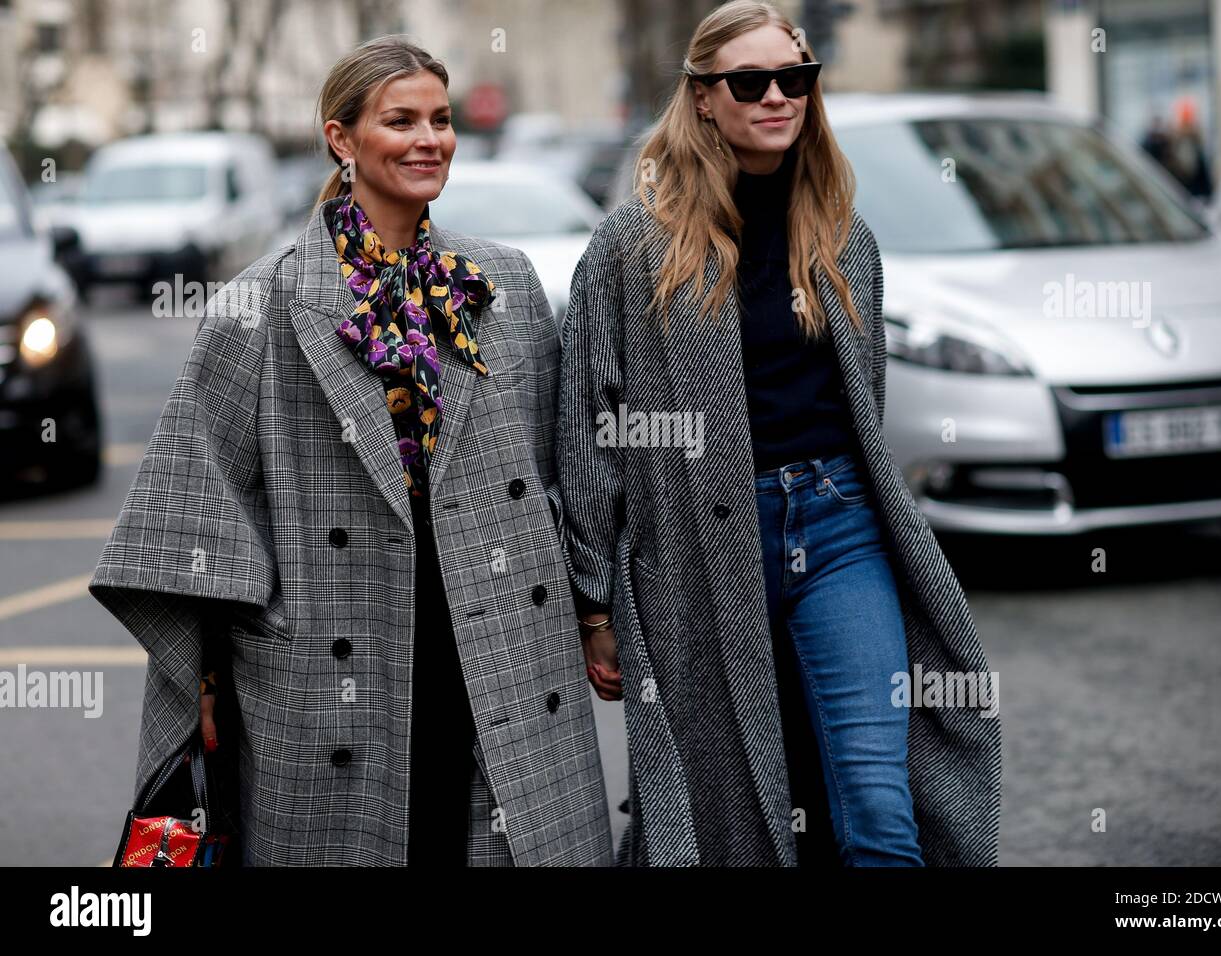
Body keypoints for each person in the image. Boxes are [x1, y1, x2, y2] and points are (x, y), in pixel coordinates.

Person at [90, 35, 612, 866]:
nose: (429, 139)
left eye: (440, 120)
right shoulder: (261, 302)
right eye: (399, 120)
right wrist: (202, 677)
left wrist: (592, 608)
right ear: (342, 140)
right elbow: (192, 501)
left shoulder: (501, 282)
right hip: (335, 650)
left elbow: (558, 466)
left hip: (498, 635)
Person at [556, 0, 1000, 866]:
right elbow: (590, 432)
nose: (775, 97)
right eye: (749, 81)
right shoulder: (629, 250)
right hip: (694, 546)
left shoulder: (844, 238)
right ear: (703, 99)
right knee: (724, 803)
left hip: (838, 527)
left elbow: (861, 409)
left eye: (792, 79)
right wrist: (593, 602)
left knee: (879, 802)